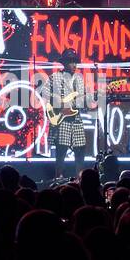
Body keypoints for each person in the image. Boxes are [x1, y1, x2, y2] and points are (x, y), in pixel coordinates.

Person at [46, 48, 88, 181]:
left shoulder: (79, 79)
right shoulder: (55, 77)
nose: (74, 65)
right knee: (61, 150)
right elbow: (46, 95)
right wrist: (59, 104)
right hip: (62, 119)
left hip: (75, 119)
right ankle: (58, 178)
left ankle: (80, 179)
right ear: (64, 63)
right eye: (71, 62)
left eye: (75, 62)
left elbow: (81, 100)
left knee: (80, 150)